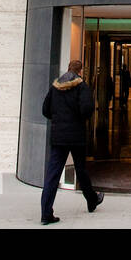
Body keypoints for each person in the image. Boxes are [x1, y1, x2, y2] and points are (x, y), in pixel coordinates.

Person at [39, 59, 104, 224]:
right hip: (76, 136)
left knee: (52, 174)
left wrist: (58, 119)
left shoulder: (55, 86)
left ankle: (46, 213)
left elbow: (45, 109)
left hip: (58, 136)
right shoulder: (82, 86)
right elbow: (87, 110)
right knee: (81, 170)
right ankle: (91, 200)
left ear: (68, 69)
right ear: (80, 71)